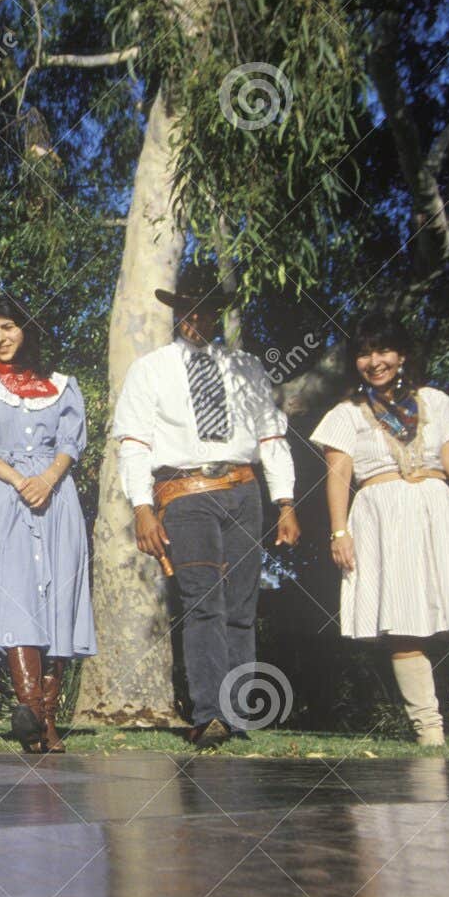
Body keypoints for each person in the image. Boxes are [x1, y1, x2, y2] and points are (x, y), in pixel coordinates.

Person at [110, 262, 299, 750]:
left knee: (241, 606)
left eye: (208, 308)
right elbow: (133, 444)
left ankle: (238, 716)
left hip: (242, 490)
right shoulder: (150, 370)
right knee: (201, 601)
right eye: (190, 307)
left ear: (218, 313)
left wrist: (285, 502)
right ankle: (209, 712)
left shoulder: (247, 368)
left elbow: (271, 436)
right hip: (184, 494)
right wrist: (142, 506)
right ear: (177, 312)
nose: (198, 317)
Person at [313, 313, 449, 745]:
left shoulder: (434, 401)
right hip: (382, 515)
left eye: (383, 350)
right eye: (364, 353)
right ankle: (429, 728)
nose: (374, 361)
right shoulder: (346, 414)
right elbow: (338, 475)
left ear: (401, 356)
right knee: (402, 620)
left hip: (440, 508)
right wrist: (338, 531)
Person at [0, 295, 95, 753]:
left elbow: (72, 441)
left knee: (58, 602)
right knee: (15, 600)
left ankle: (45, 721)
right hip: (4, 496)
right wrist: (18, 479)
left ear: (26, 329)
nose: (0, 338)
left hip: (56, 499)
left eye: (8, 327)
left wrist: (48, 478)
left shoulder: (61, 384)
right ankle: (31, 711)